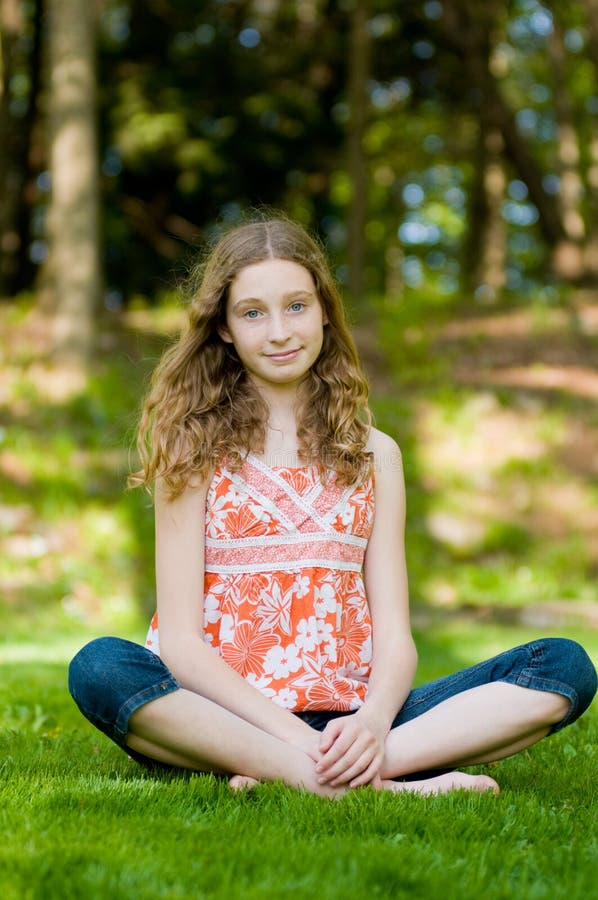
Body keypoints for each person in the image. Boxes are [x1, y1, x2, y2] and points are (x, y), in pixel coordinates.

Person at [69, 216, 597, 797]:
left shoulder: (375, 454)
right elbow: (181, 646)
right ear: (223, 327)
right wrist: (298, 739)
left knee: (563, 666)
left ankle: (313, 771)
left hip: (350, 717)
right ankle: (364, 781)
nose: (279, 332)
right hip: (226, 715)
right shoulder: (191, 449)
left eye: (296, 306)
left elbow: (394, 637)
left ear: (324, 310)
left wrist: (370, 724)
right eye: (252, 313)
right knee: (100, 667)